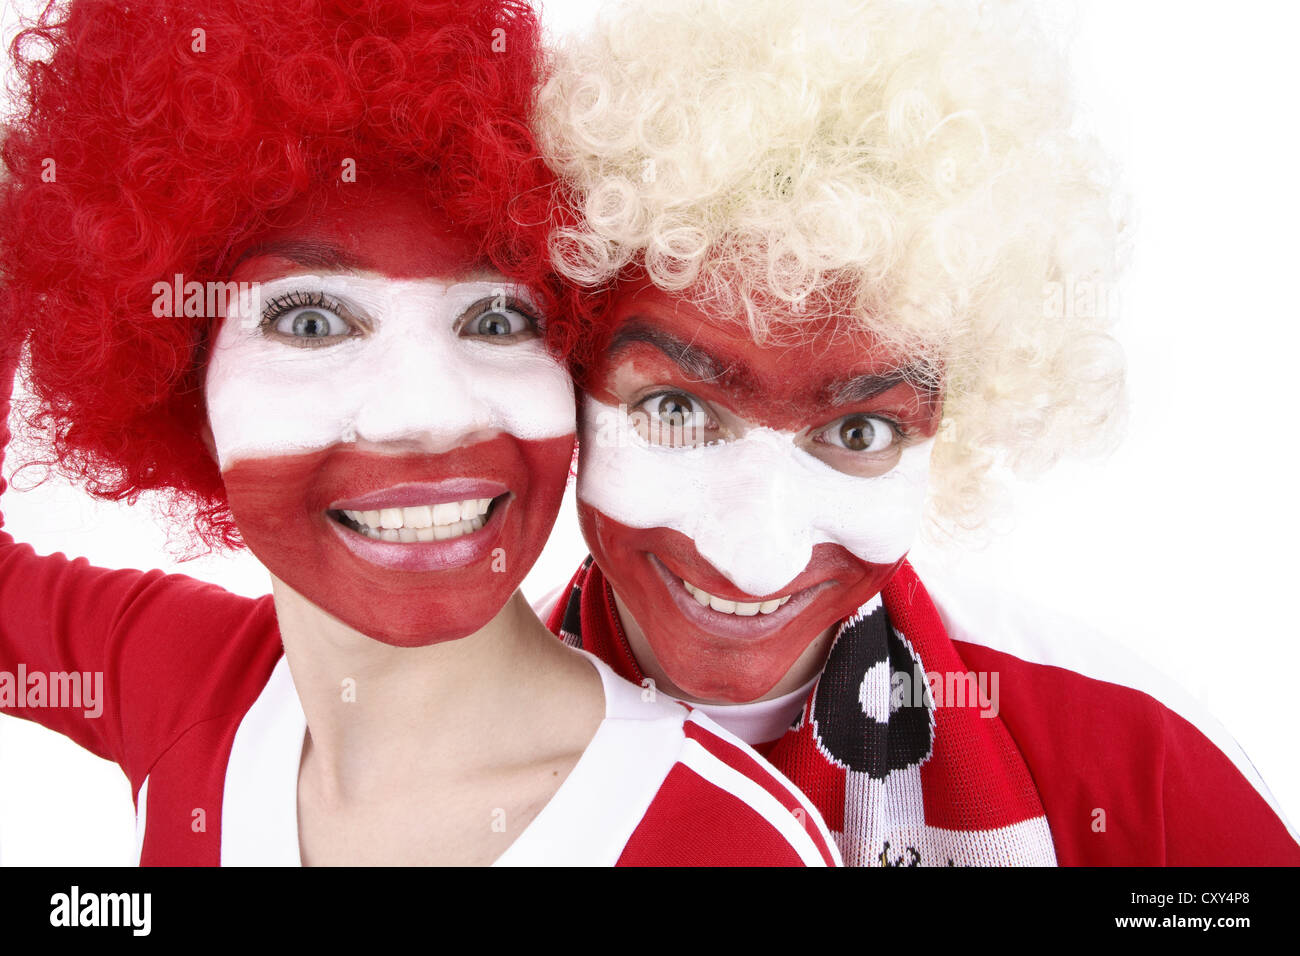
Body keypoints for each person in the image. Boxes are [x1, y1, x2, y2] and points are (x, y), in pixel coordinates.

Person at [0, 0, 838, 866]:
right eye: (312, 321)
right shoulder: (194, 686)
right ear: (179, 377)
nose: (425, 414)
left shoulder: (723, 842)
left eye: (499, 320)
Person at [534, 0, 1300, 865]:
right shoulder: (415, 776)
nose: (758, 557)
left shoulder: (1131, 761)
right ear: (565, 378)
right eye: (677, 413)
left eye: (859, 432)